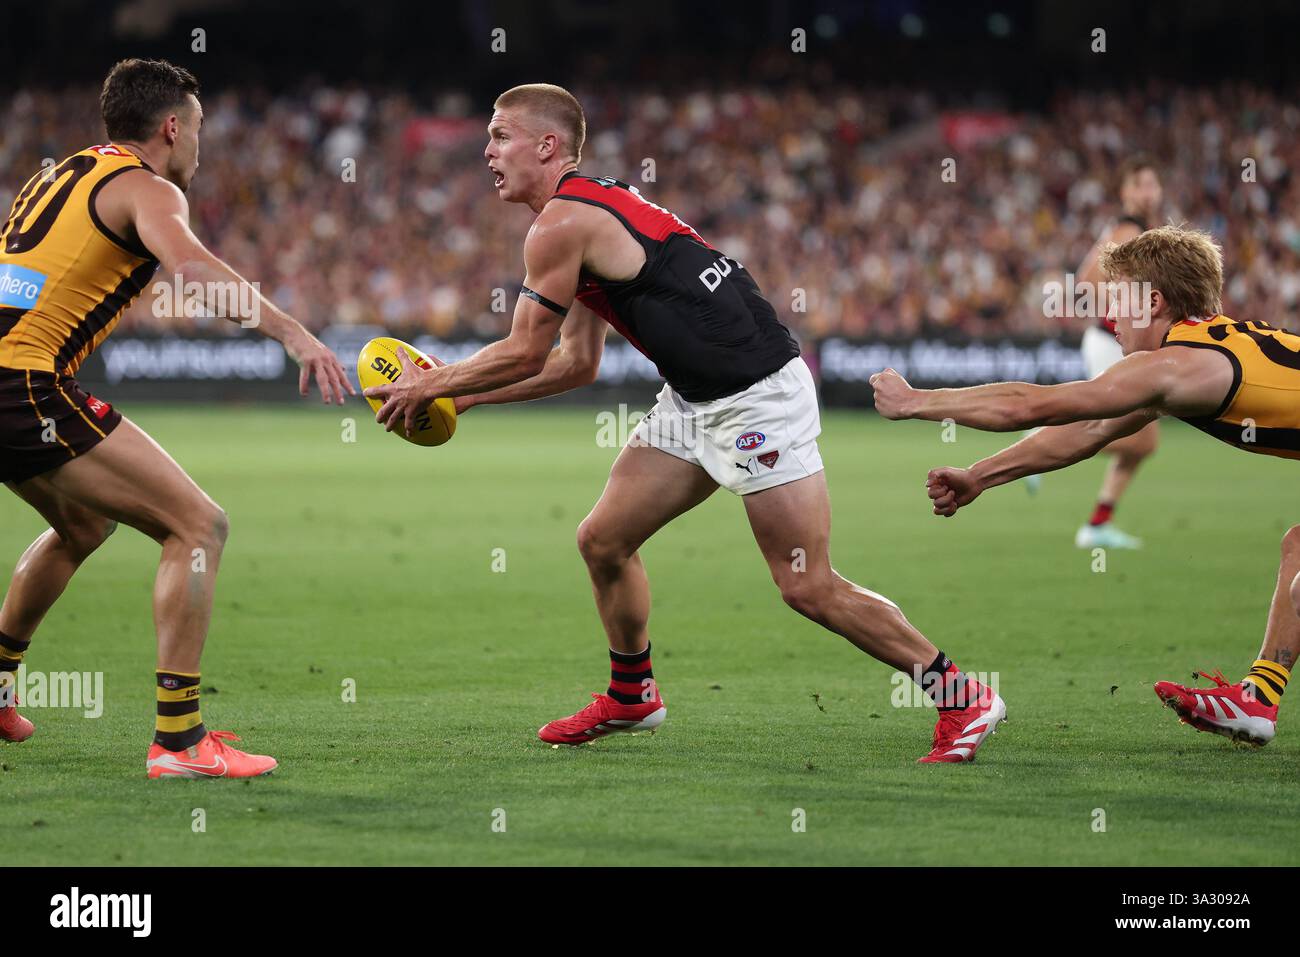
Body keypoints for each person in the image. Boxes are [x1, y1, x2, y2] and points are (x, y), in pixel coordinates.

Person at [364, 83, 1005, 763]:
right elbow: (574, 363)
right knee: (604, 540)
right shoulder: (582, 214)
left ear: (547, 145)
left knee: (806, 584)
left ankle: (961, 694)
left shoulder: (561, 224)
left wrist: (434, 381)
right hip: (695, 399)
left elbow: (523, 349)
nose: (487, 151)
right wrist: (463, 400)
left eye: (500, 136)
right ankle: (633, 694)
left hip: (757, 395)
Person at [0, 59, 354, 777]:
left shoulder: (63, 172)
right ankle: (181, 740)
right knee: (200, 525)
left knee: (83, 525)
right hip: (21, 383)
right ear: (170, 127)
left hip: (10, 376)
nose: (199, 146)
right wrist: (294, 332)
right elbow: (191, 272)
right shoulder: (147, 185)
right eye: (197, 130)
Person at [870, 225, 1298, 747]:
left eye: (1117, 300)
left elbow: (1034, 405)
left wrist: (917, 402)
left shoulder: (1176, 366)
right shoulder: (1197, 353)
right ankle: (1258, 699)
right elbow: (1084, 433)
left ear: (1154, 301)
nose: (1110, 318)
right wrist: (980, 475)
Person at [1069, 155, 1164, 550]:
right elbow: (1086, 283)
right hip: (1111, 342)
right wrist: (1127, 310)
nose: (1149, 191)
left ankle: (1098, 523)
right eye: (1140, 183)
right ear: (1126, 191)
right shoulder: (1129, 229)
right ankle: (1045, 432)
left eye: (1153, 184)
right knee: (1141, 439)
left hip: (1115, 342)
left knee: (1143, 442)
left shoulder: (1141, 229)